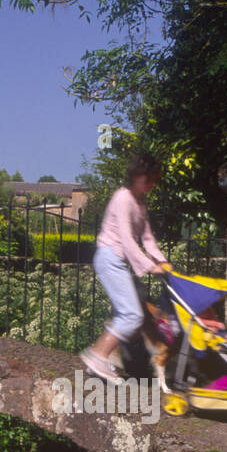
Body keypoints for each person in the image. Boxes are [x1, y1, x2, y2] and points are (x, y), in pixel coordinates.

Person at [81, 154, 173, 384]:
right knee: (131, 315)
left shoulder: (141, 202)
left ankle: (98, 357)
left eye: (155, 181)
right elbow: (126, 239)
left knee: (129, 313)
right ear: (136, 176)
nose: (152, 185)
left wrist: (163, 262)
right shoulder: (122, 198)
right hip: (109, 257)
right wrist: (150, 267)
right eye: (149, 180)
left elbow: (147, 238)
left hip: (117, 260)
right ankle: (99, 356)